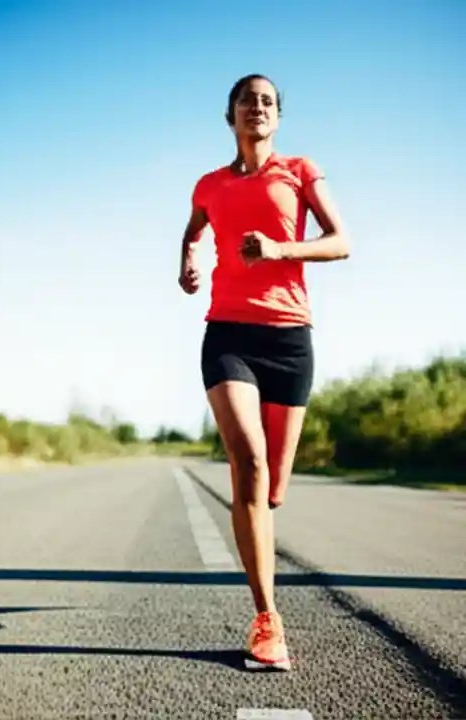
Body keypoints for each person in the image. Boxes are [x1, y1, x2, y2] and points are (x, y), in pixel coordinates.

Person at [179, 74, 350, 672]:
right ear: (229, 115)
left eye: (268, 101)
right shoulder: (210, 184)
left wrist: (280, 251)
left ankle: (265, 514)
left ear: (278, 117)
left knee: (271, 488)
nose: (258, 107)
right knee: (246, 464)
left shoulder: (300, 170)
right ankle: (266, 618)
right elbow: (195, 225)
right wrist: (188, 262)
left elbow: (340, 241)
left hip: (290, 340)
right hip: (228, 334)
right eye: (247, 100)